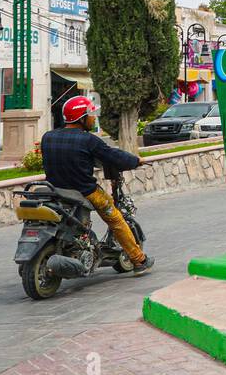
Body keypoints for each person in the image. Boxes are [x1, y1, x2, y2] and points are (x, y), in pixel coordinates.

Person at [40, 95, 153, 275]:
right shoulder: (88, 140)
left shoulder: (48, 137)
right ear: (81, 118)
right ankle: (139, 260)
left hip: (56, 191)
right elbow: (112, 155)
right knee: (115, 218)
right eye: (91, 114)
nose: (94, 118)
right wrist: (135, 161)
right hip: (85, 192)